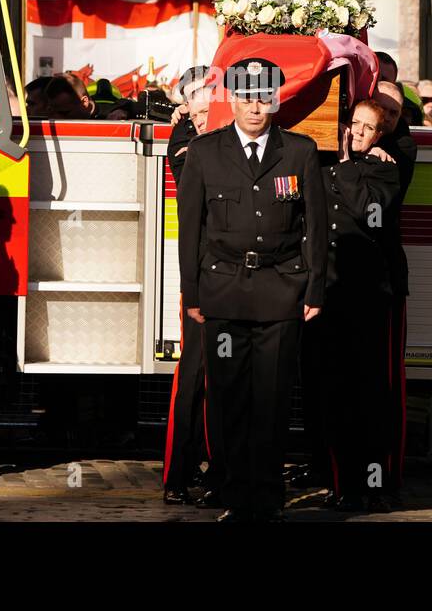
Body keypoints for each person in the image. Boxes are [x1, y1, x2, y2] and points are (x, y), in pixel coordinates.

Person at [177, 57, 327, 522]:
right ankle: (231, 487)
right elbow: (190, 231)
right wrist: (193, 295)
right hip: (222, 292)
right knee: (227, 400)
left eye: (263, 97)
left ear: (275, 100)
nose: (255, 107)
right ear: (232, 100)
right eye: (246, 97)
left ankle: (265, 495)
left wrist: (314, 290)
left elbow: (317, 227)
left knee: (272, 399)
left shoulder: (300, 152)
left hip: (281, 292)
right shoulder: (204, 153)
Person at [317, 99, 399, 511]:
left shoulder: (383, 168)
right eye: (355, 124)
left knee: (367, 395)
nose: (360, 132)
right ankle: (337, 480)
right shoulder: (322, 162)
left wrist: (348, 162)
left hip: (363, 297)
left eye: (369, 128)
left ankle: (372, 483)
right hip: (325, 294)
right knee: (329, 393)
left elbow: (370, 214)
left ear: (379, 135)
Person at [162, 79, 219, 506]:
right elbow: (181, 147)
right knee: (195, 377)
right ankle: (178, 474)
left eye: (208, 116)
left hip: (239, 281)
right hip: (203, 280)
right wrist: (182, 117)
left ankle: (220, 470)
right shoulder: (190, 154)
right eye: (196, 116)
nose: (202, 123)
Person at [371, 78, 416, 497]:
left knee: (383, 385)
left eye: (393, 114)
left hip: (382, 282)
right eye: (378, 109)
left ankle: (385, 476)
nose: (384, 119)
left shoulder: (398, 152)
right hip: (339, 283)